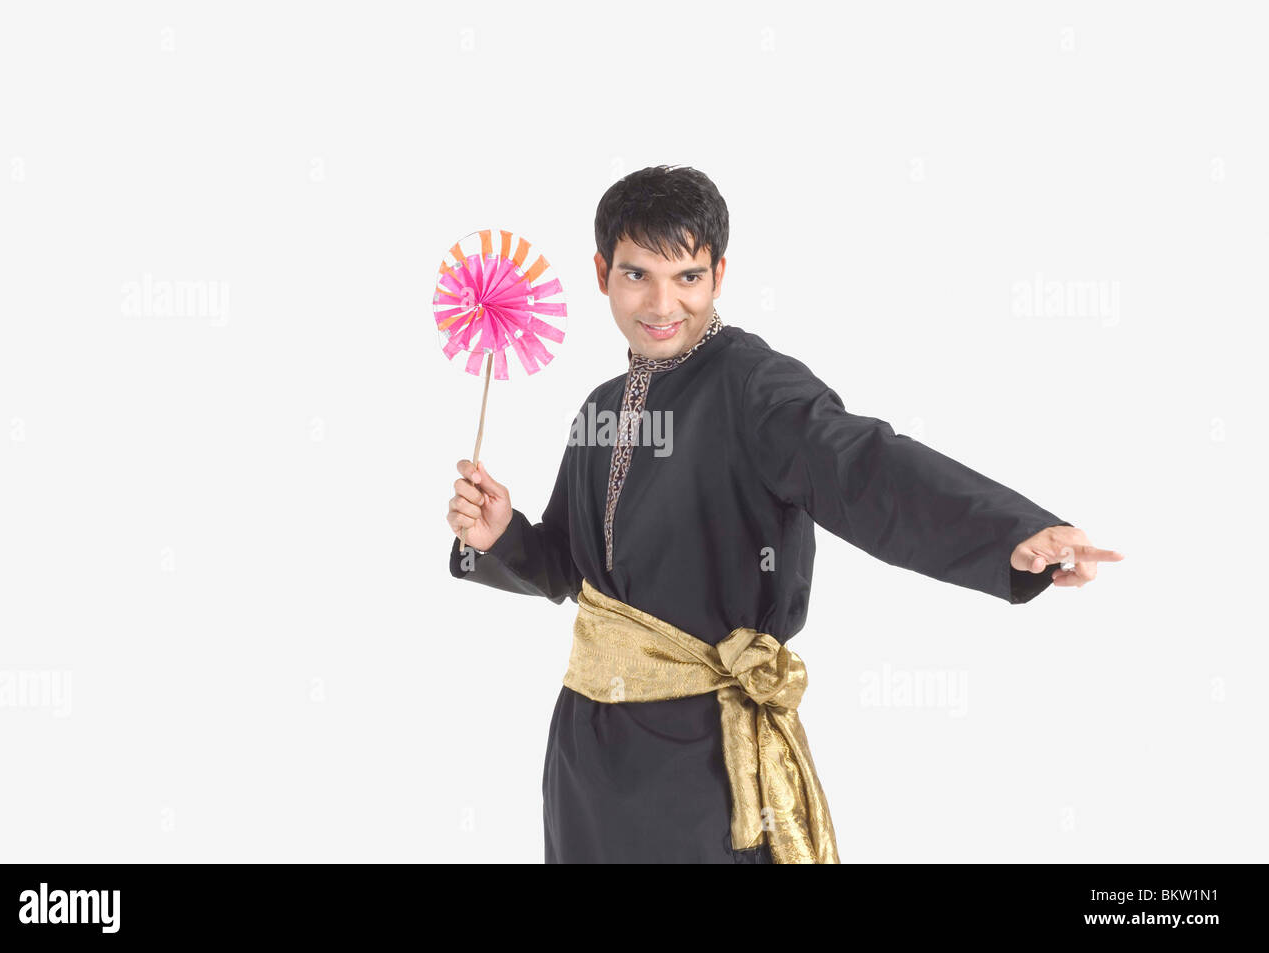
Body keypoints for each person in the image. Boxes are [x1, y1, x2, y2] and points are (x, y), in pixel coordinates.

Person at [444, 164, 1123, 864]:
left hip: (699, 759)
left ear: (719, 274)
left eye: (687, 277)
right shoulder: (599, 408)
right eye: (636, 274)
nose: (660, 302)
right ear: (600, 272)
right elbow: (569, 567)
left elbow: (865, 464)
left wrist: (1007, 533)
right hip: (585, 761)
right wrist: (500, 535)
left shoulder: (753, 386)